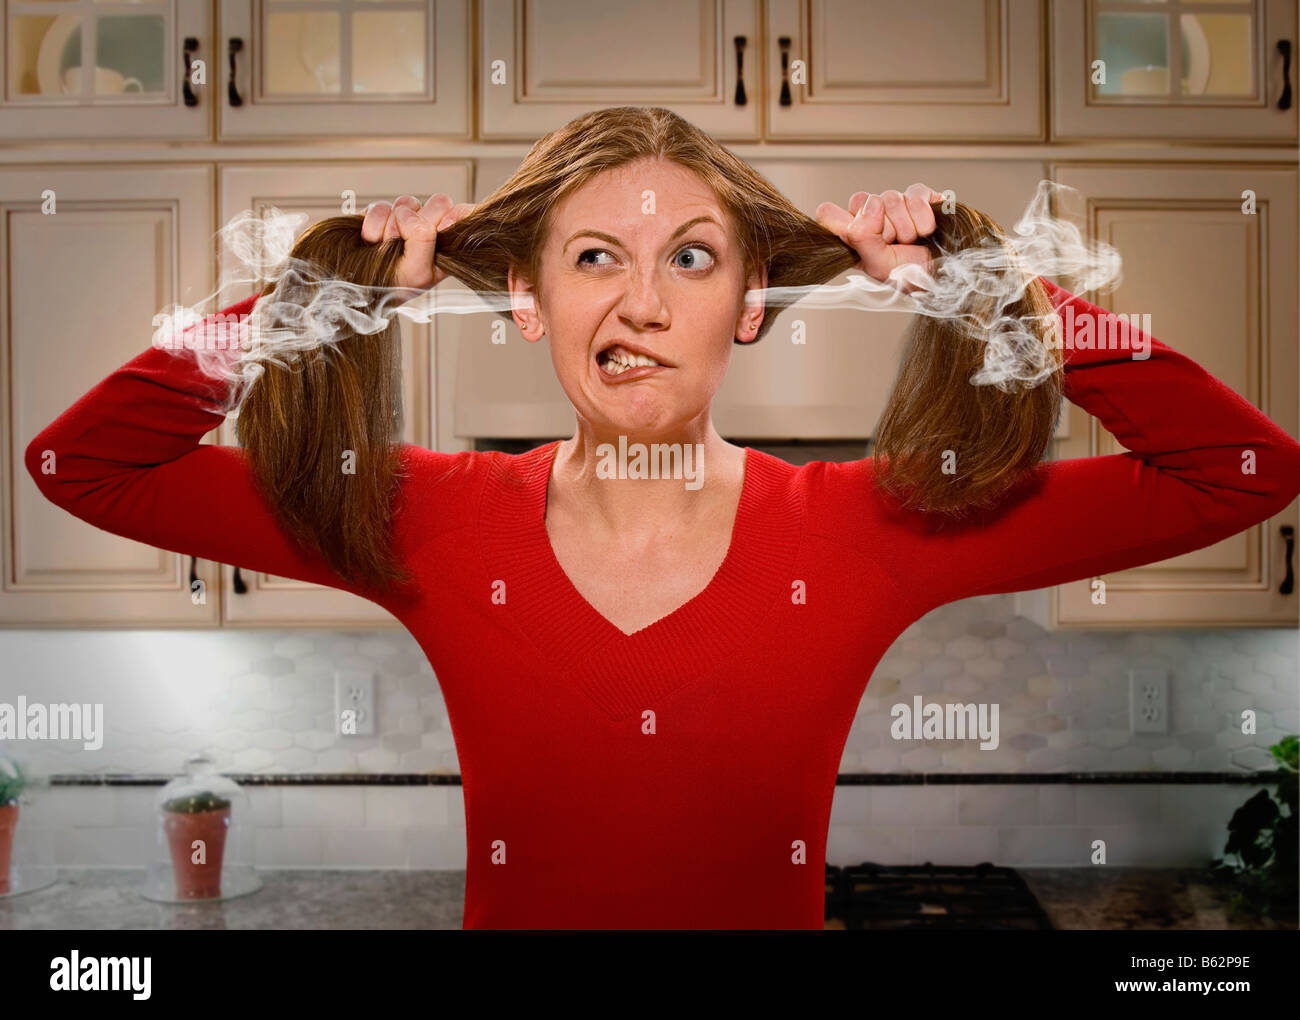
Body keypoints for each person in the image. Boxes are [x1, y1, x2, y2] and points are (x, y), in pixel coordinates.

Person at [26, 107, 1300, 930]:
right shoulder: (418, 518)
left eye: (690, 258)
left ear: (749, 304)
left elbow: (1241, 466)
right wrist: (312, 297)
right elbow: (80, 459)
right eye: (593, 258)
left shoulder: (871, 527)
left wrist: (992, 291)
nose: (639, 305)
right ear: (526, 301)